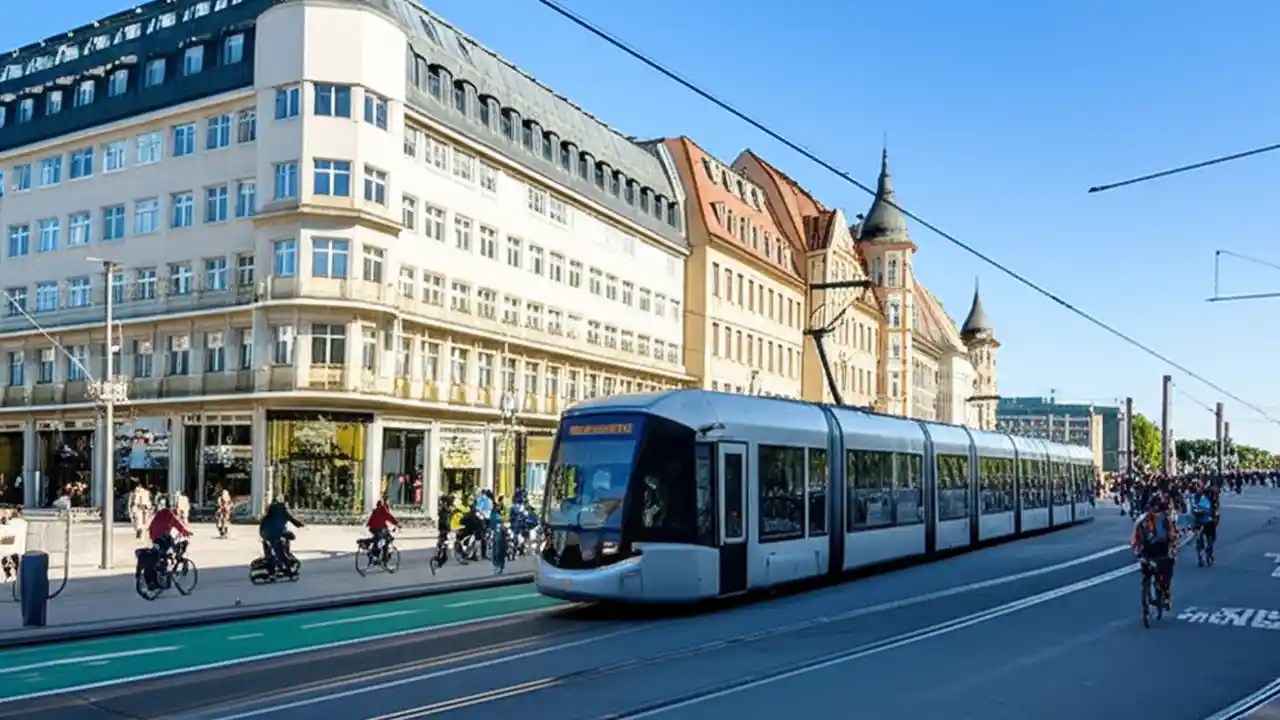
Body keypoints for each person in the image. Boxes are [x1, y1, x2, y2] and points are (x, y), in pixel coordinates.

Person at [1131, 492, 1178, 610]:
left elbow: (1134, 537)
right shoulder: (1167, 518)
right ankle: (1165, 594)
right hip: (1162, 552)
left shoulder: (1142, 518)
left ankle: (1147, 589)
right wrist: (1173, 549)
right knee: (1165, 575)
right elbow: (1173, 536)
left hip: (1146, 552)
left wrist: (1136, 550)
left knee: (1146, 573)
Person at [145, 496, 192, 588]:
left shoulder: (158, 514)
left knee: (161, 554)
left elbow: (151, 527)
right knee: (172, 551)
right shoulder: (169, 514)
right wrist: (186, 533)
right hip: (164, 538)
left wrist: (152, 538)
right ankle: (167, 574)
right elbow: (178, 526)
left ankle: (161, 573)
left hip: (155, 538)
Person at [259, 498, 304, 573]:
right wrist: (302, 524)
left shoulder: (270, 511)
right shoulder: (284, 510)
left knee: (270, 545)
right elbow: (294, 521)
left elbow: (263, 524)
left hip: (265, 534)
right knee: (282, 546)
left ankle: (272, 566)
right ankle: (288, 568)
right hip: (277, 534)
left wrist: (263, 534)